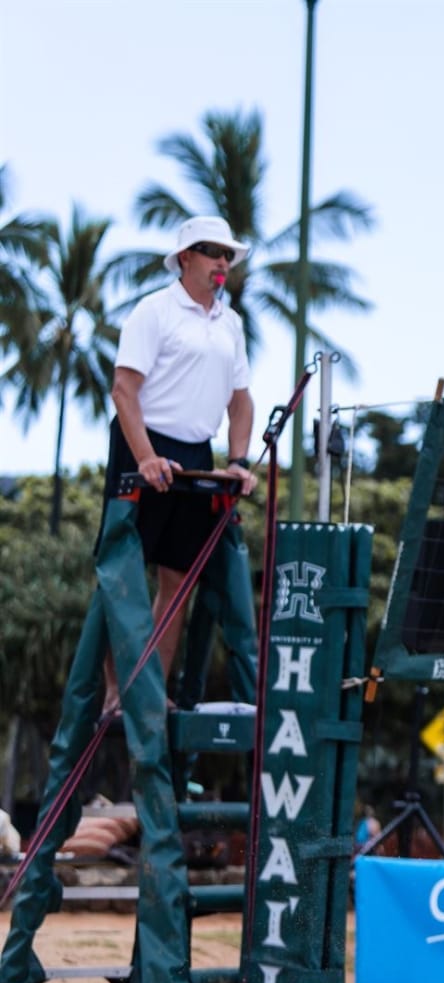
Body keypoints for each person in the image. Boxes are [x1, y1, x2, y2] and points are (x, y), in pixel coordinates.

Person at [103, 216, 259, 710]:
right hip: (141, 446)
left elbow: (242, 402)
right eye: (211, 251)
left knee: (178, 584)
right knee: (123, 580)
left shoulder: (230, 323)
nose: (221, 262)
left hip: (196, 457)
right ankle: (110, 692)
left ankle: (149, 693)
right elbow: (124, 391)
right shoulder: (154, 311)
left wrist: (236, 460)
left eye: (227, 255)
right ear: (185, 257)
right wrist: (146, 458)